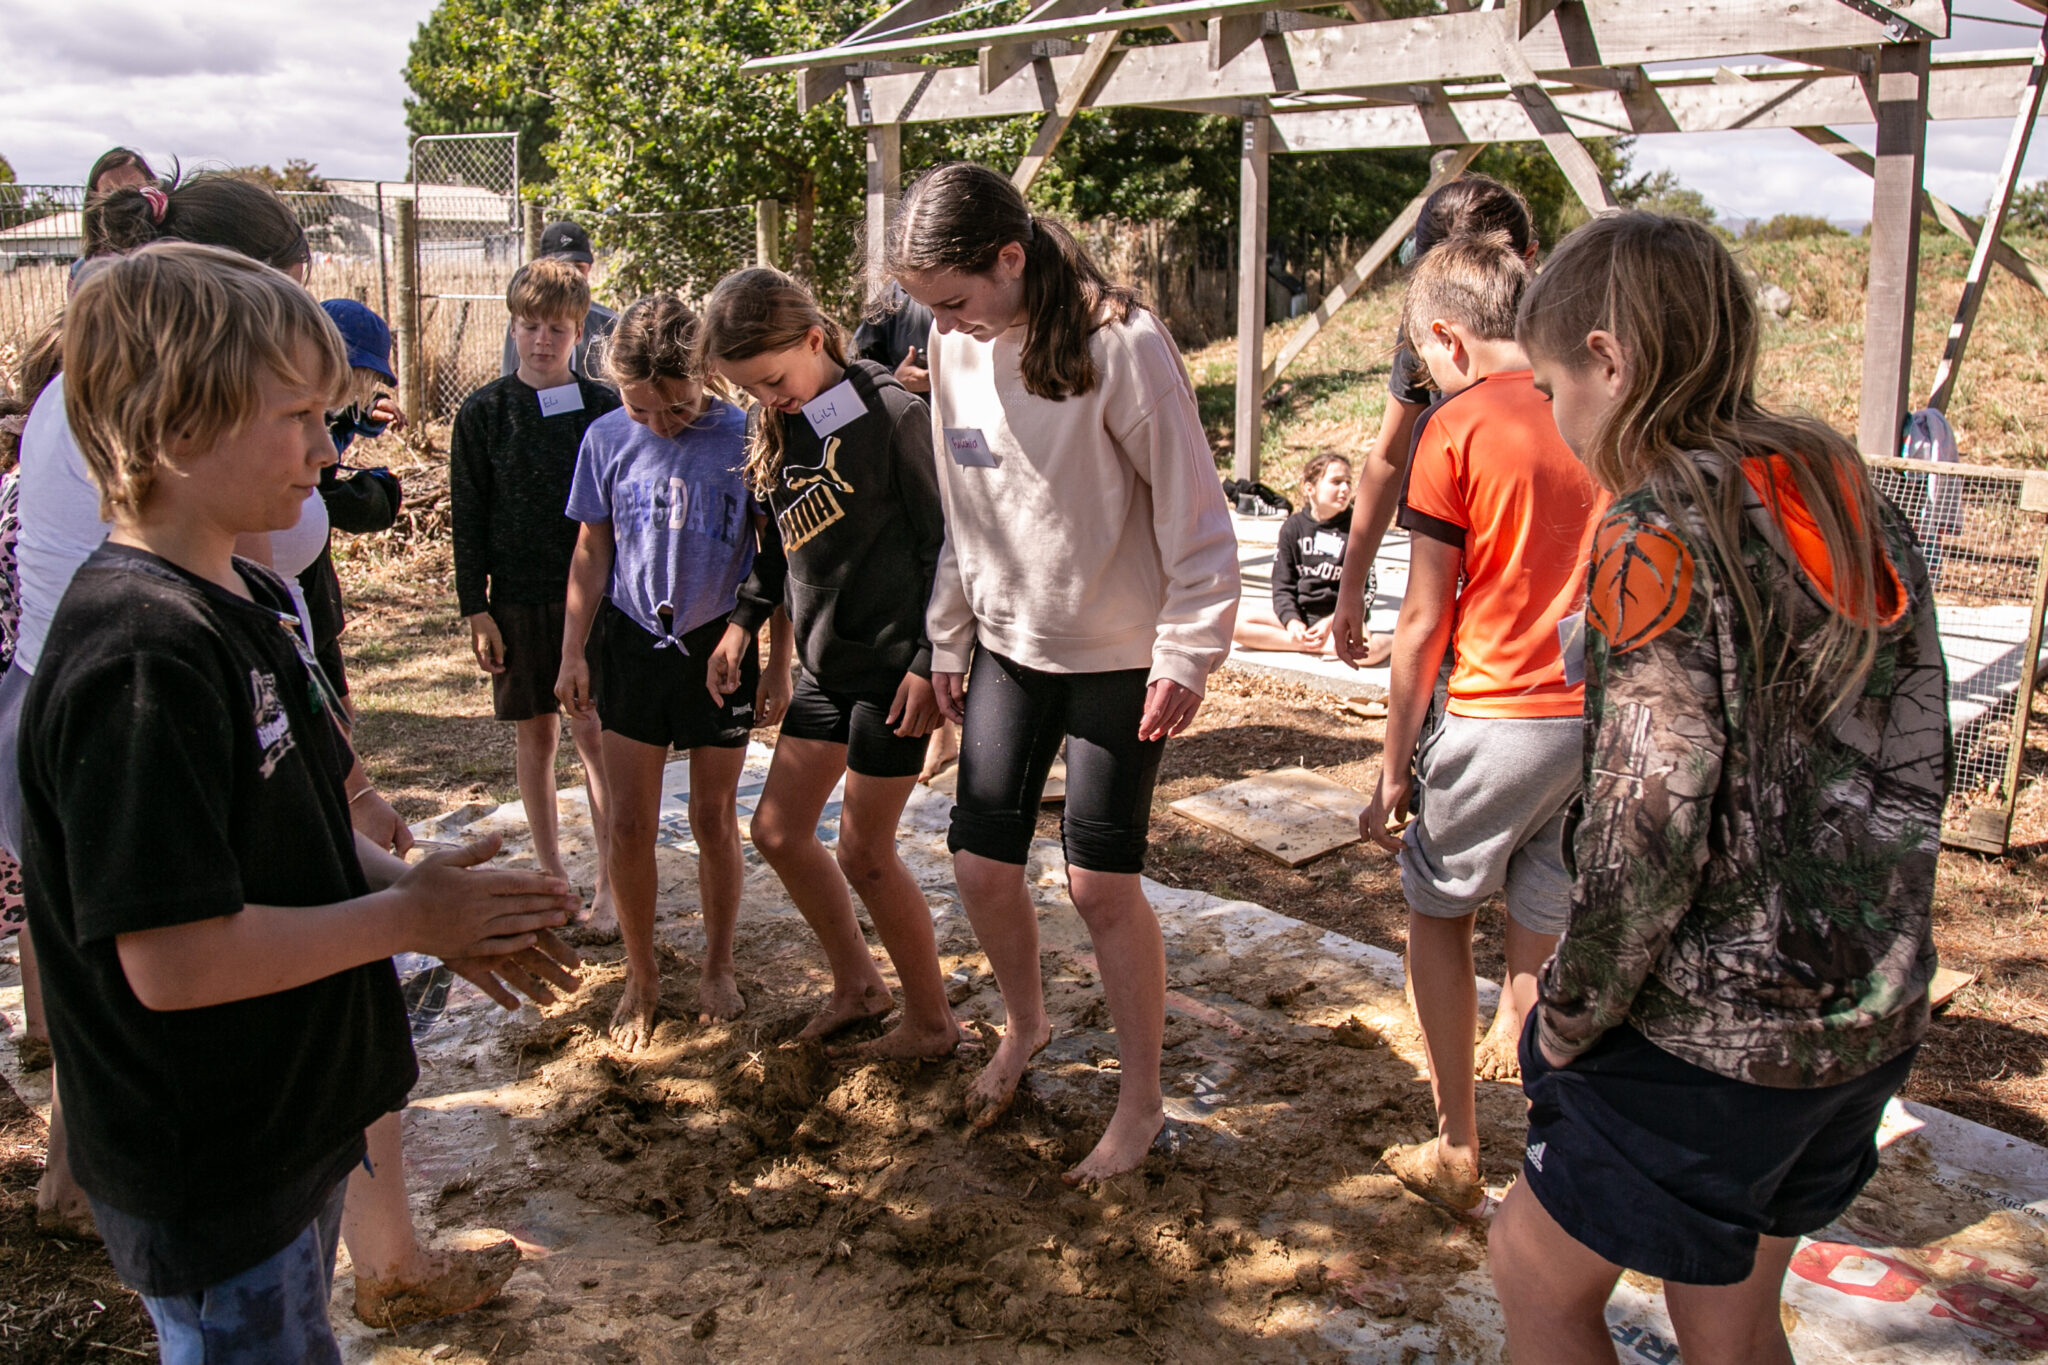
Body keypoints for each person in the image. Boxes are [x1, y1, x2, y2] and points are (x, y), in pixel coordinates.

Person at [26, 240, 581, 1364]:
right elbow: (173, 960)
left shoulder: (232, 593)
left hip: (282, 1126)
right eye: (298, 419)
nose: (328, 450)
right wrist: (410, 921)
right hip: (209, 1158)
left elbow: (287, 836)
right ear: (178, 427)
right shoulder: (141, 654)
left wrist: (415, 891)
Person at [1488, 213, 1946, 1365]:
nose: (1553, 419)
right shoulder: (1842, 484)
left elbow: (1651, 817)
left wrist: (1569, 1009)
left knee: (1534, 1277)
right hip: (1860, 1010)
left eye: (1549, 386)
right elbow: (1903, 747)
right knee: (1728, 1309)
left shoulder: (1655, 521)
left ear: (1609, 359)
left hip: (1709, 1038)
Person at [886, 163, 1239, 1185]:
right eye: (926, 309)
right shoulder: (955, 340)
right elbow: (966, 505)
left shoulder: (1119, 346)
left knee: (1099, 883)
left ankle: (1138, 1103)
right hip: (1007, 641)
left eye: (953, 300)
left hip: (1119, 655)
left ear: (1010, 258)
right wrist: (948, 636)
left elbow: (1195, 516)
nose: (943, 325)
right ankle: (1026, 1026)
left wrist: (1188, 647)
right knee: (980, 864)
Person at [1357, 231, 1600, 1213]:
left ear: (1447, 341)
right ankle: (1546, 1155)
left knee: (1436, 912)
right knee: (1538, 932)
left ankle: (1454, 1142)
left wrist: (1389, 765)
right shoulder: (1584, 400)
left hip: (1497, 708)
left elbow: (1421, 619)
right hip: (1594, 715)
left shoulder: (1452, 427)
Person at [699, 266, 962, 1060]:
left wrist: (929, 656)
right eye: (750, 389)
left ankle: (932, 1022)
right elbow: (782, 543)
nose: (768, 397)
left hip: (895, 675)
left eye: (773, 378)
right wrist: (743, 624)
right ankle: (858, 985)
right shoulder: (783, 423)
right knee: (777, 830)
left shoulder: (894, 415)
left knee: (864, 851)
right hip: (825, 666)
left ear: (816, 339)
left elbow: (950, 546)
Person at [557, 295, 791, 1051]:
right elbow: (592, 550)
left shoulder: (746, 434)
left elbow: (774, 559)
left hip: (719, 647)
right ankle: (641, 970)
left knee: (712, 817)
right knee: (628, 821)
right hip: (630, 644)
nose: (661, 424)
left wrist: (775, 663)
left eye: (679, 407)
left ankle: (717, 963)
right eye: (642, 409)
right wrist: (571, 650)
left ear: (703, 375)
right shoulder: (603, 439)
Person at [453, 258, 623, 933]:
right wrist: (476, 606)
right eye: (530, 326)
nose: (543, 340)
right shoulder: (484, 412)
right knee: (536, 734)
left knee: (595, 732)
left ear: (580, 331)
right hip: (517, 597)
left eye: (557, 327)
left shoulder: (604, 406)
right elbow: (467, 515)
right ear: (513, 326)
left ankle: (612, 882)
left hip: (594, 597)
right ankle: (553, 874)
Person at [1327, 175, 1538, 670]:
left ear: (1527, 259)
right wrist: (1351, 585)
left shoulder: (1570, 333)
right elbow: (1388, 456)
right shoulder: (1426, 331)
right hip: (1462, 580)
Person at [1230, 451, 1385, 662]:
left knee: (1368, 652)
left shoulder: (1358, 529)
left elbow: (1368, 590)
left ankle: (1391, 642)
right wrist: (1292, 621)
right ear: (1309, 488)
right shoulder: (1293, 528)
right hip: (1303, 616)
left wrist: (1333, 621)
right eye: (1336, 482)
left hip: (1340, 620)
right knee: (1236, 625)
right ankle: (1314, 645)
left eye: (1348, 482)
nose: (1345, 489)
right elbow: (1282, 584)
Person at [499, 221, 619, 382]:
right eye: (563, 266)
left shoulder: (609, 322)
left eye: (578, 267)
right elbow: (509, 373)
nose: (571, 274)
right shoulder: (524, 321)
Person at [78, 148, 156, 263]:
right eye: (109, 192)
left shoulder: (175, 257)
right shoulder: (84, 270)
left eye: (133, 190)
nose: (123, 201)